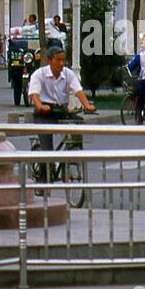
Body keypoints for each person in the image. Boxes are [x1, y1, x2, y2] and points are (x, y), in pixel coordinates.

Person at [28, 47, 96, 189]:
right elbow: (34, 93)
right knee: (47, 150)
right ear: (49, 61)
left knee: (77, 124)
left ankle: (73, 151)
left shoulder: (68, 74)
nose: (61, 63)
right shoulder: (39, 74)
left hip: (61, 110)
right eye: (58, 60)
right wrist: (40, 105)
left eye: (63, 60)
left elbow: (78, 90)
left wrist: (86, 105)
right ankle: (42, 177)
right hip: (44, 113)